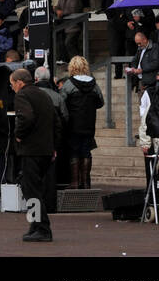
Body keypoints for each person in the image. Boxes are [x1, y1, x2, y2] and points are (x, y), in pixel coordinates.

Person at [11, 68, 59, 242]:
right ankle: (35, 224)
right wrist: (54, 145)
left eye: (12, 84)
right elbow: (56, 121)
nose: (13, 88)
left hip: (31, 149)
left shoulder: (22, 96)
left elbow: (26, 117)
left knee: (31, 189)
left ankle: (42, 227)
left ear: (19, 83)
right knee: (34, 188)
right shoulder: (44, 95)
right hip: (45, 149)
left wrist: (19, 134)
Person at [60, 55, 104, 188]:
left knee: (74, 151)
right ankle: (85, 181)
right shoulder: (94, 85)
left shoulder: (69, 84)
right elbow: (100, 102)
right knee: (86, 151)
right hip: (89, 123)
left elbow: (62, 103)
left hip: (73, 124)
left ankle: (74, 181)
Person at [125, 29, 159, 96]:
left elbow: (156, 63)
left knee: (150, 104)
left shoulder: (155, 47)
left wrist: (142, 70)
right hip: (140, 80)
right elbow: (134, 60)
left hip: (150, 82)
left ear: (145, 40)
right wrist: (133, 68)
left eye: (139, 43)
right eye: (137, 44)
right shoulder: (140, 48)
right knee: (142, 104)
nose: (138, 45)